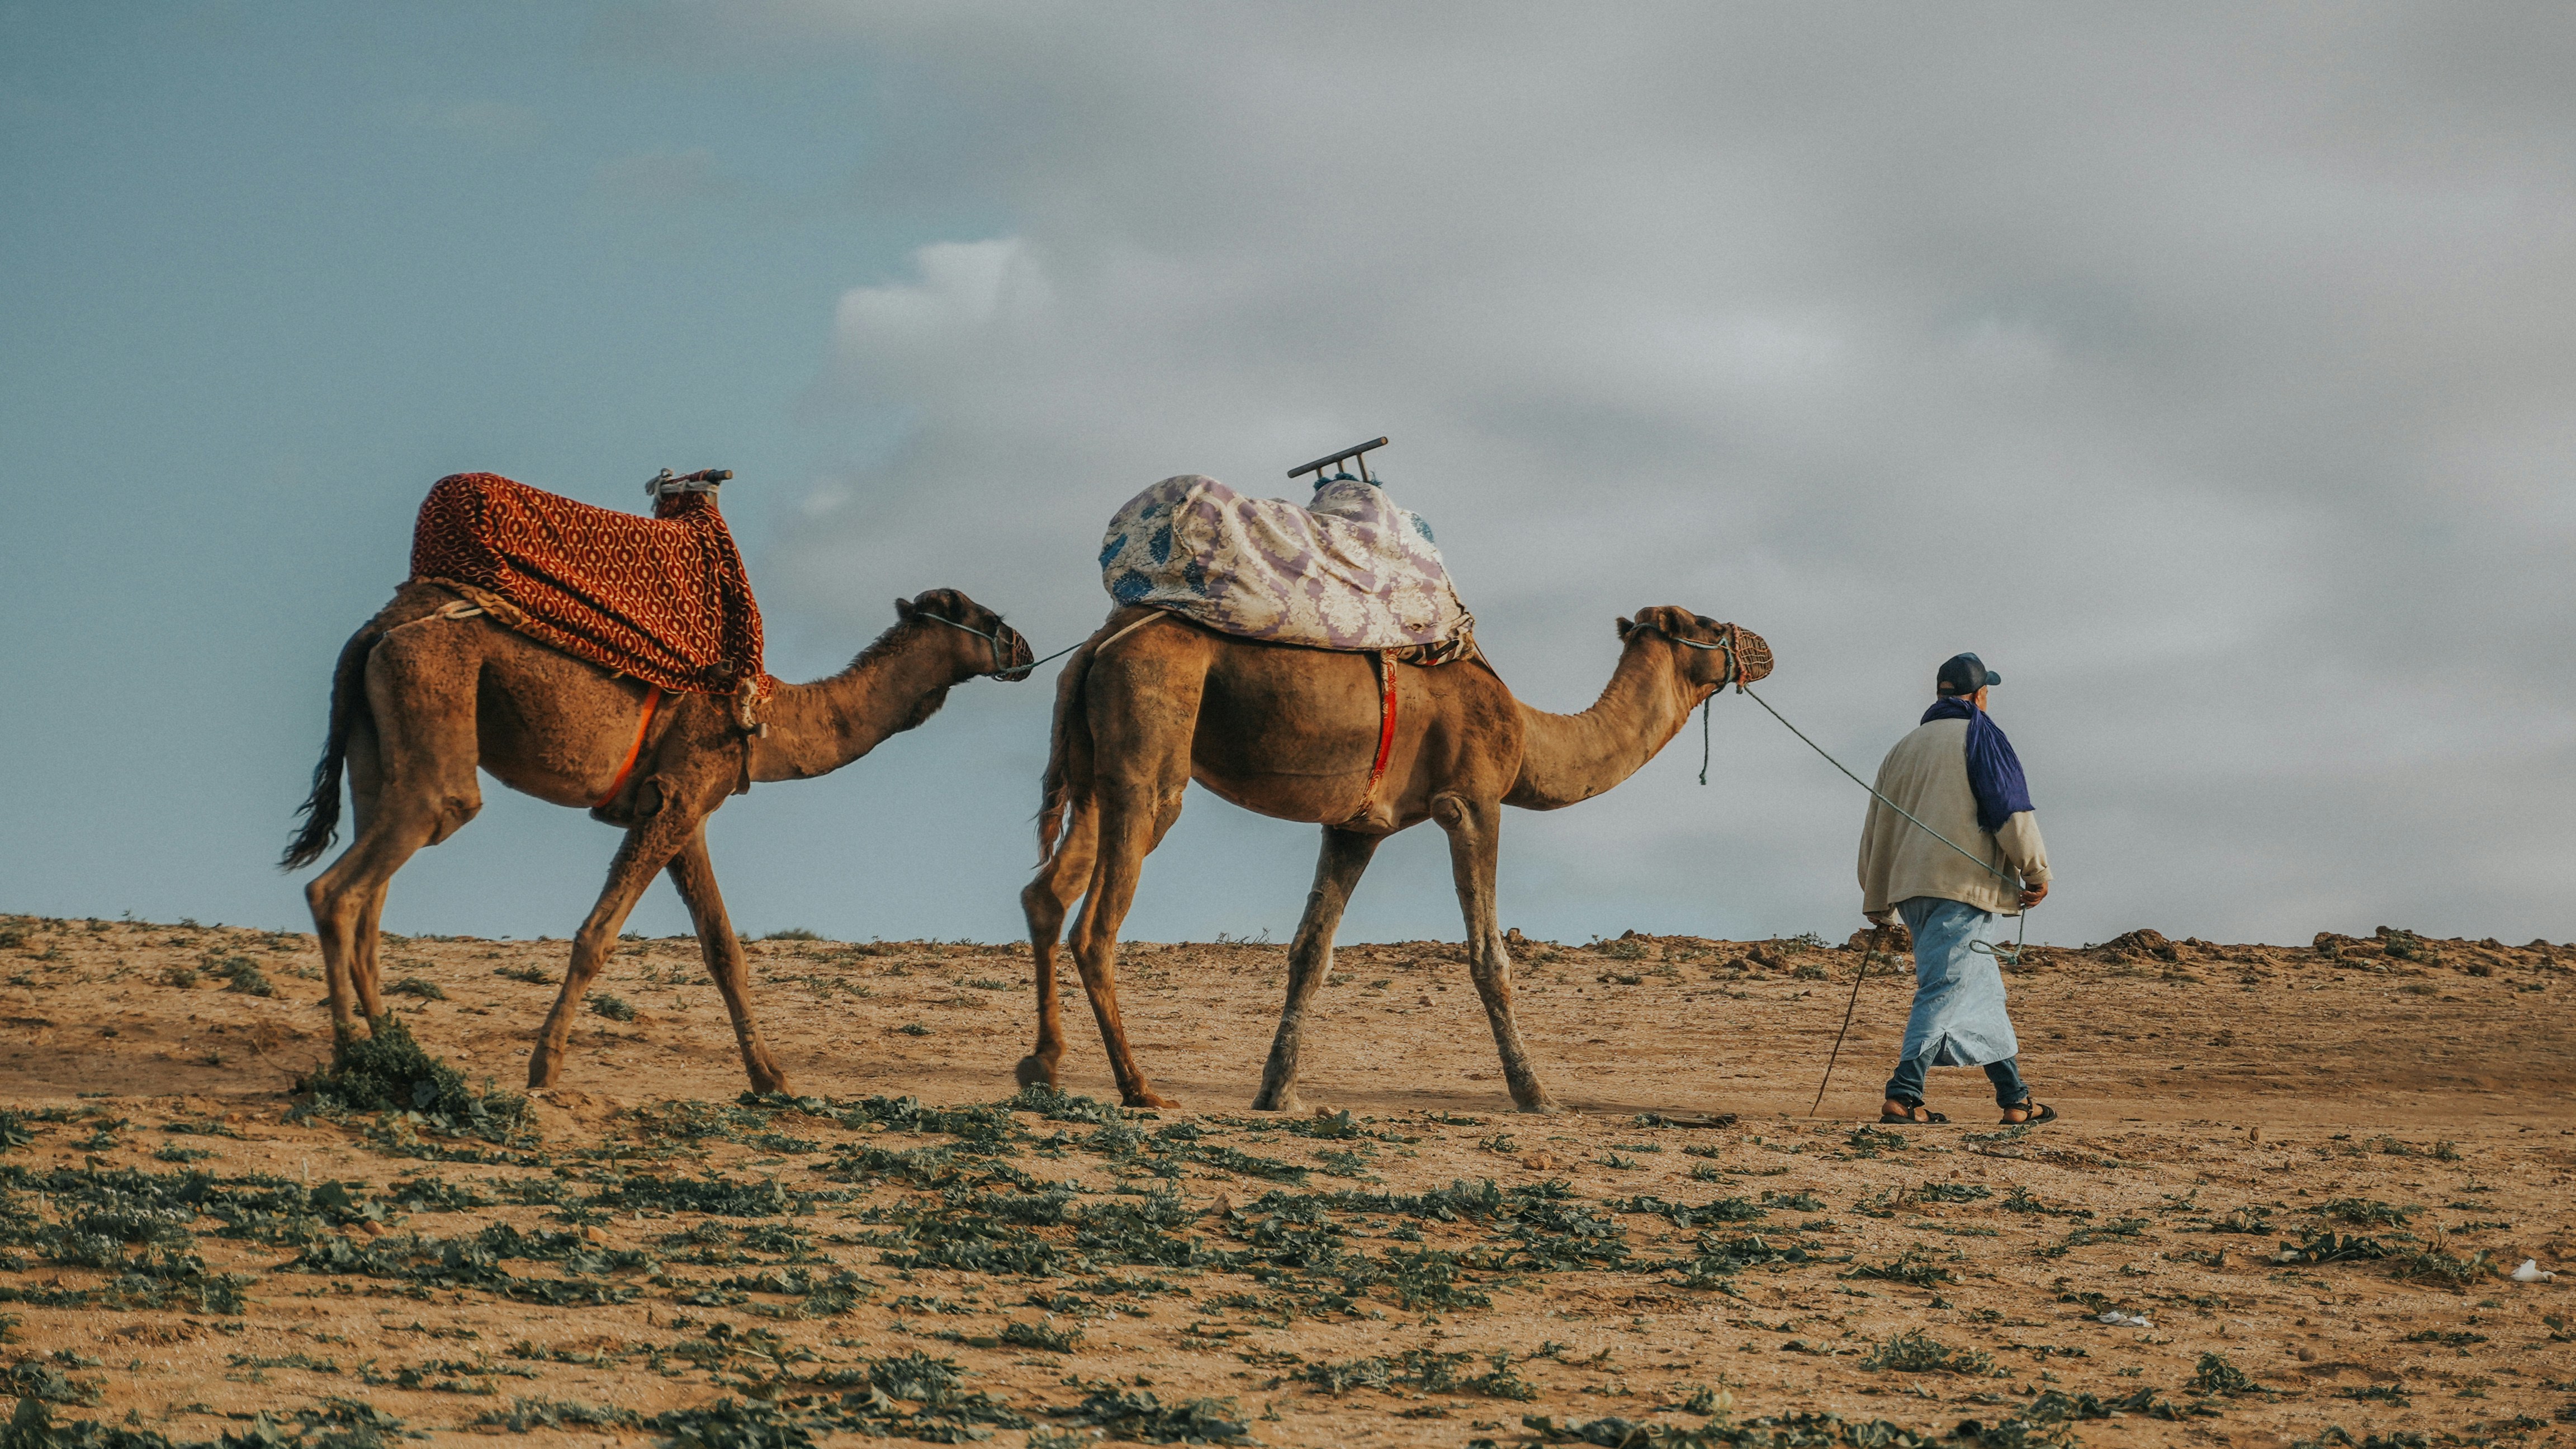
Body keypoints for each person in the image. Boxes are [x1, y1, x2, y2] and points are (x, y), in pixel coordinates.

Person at [1857, 652, 2054, 1126]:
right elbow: (2011, 810)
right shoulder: (1982, 735)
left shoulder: (1904, 747)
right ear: (1981, 695)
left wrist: (1875, 893)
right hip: (1960, 886)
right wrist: (2036, 871)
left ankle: (2015, 1099)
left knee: (1981, 993)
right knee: (1944, 988)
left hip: (1910, 890)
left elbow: (1876, 826)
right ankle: (1902, 1096)